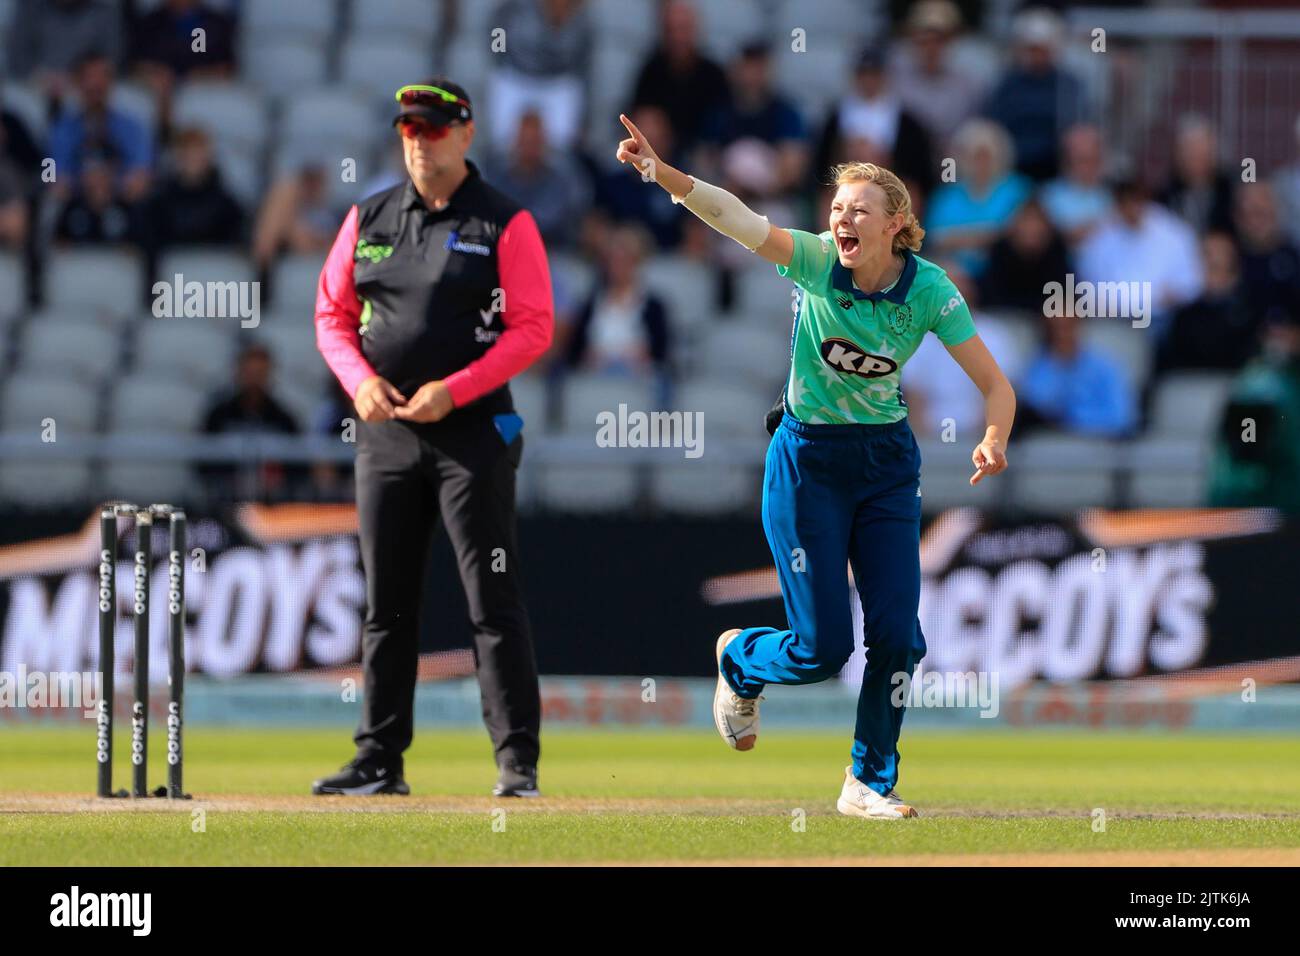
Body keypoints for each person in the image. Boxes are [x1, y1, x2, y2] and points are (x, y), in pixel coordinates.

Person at [614, 114, 1015, 820]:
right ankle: (740, 658)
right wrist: (659, 171)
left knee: (897, 636)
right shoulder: (816, 260)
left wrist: (993, 437)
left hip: (888, 464)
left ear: (897, 225)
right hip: (808, 463)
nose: (843, 219)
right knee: (822, 649)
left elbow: (996, 385)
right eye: (837, 208)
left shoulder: (929, 291)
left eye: (860, 210)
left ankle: (868, 783)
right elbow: (736, 218)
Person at [313, 79, 554, 798]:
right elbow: (331, 313)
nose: (420, 141)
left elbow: (533, 326)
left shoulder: (504, 222)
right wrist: (358, 381)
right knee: (386, 605)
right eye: (409, 130)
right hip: (386, 435)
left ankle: (517, 762)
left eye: (434, 128)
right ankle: (379, 759)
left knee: (492, 598)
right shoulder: (371, 215)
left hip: (474, 433)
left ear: (466, 133)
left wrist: (459, 387)